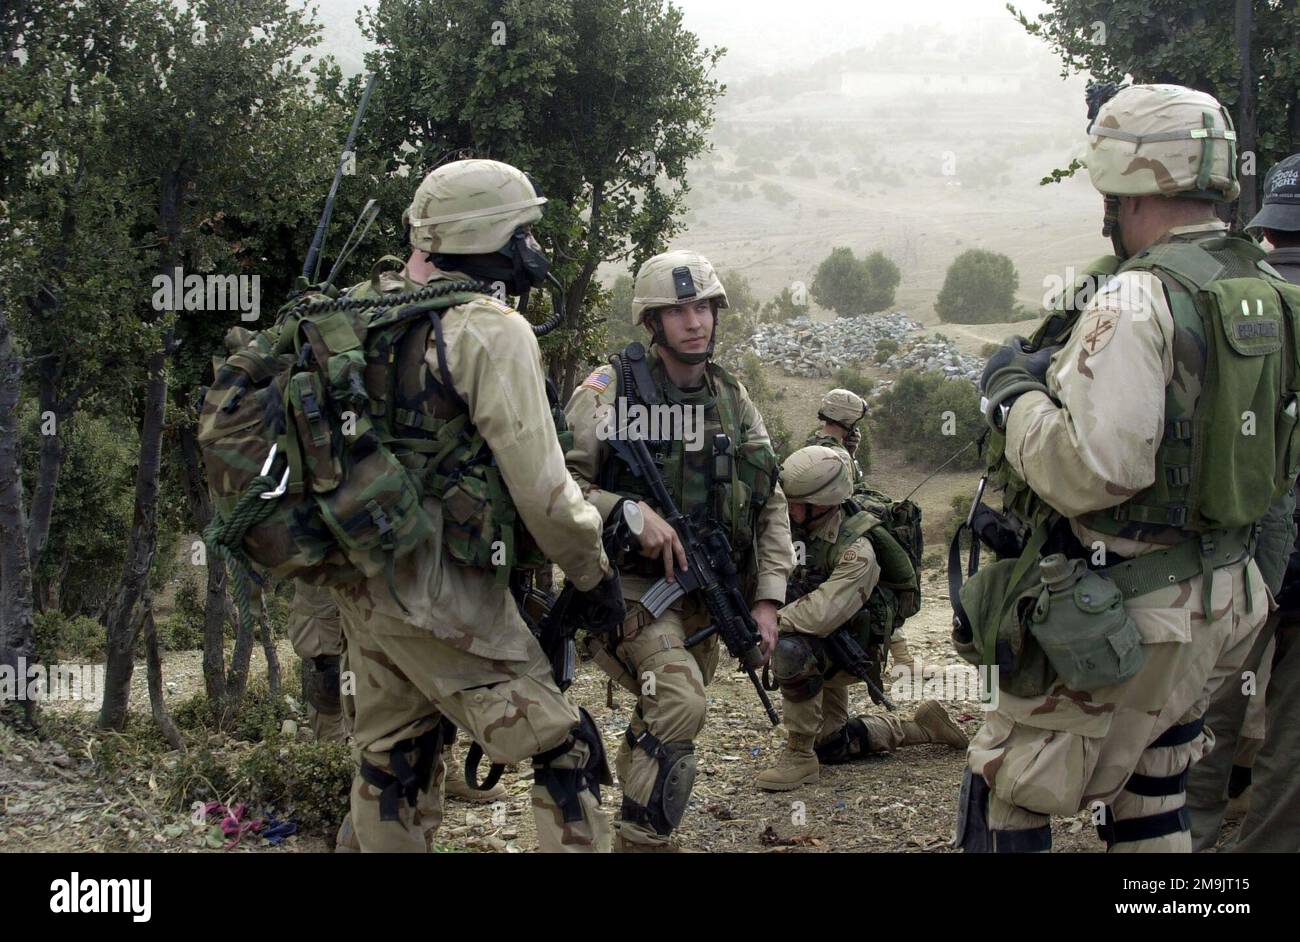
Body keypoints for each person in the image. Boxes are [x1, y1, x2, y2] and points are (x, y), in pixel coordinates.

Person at [955, 84, 1297, 852]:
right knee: (1155, 788)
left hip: (1128, 616)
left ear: (1126, 185)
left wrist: (1012, 398)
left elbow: (1094, 472)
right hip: (1222, 602)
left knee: (1008, 788)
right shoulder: (1268, 289)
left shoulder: (1139, 297)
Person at [328, 158, 623, 852]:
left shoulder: (356, 311)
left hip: (359, 576)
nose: (533, 250)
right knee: (564, 748)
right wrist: (594, 574)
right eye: (523, 232)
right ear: (487, 235)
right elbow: (548, 498)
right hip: (443, 592)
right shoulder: (489, 329)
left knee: (392, 761)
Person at [564, 249, 792, 851]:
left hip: (704, 590)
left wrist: (767, 600)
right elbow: (552, 485)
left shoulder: (732, 397)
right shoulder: (610, 391)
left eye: (703, 308)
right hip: (628, 586)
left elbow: (770, 500)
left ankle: (624, 822)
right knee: (680, 701)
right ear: (652, 322)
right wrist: (627, 511)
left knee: (667, 719)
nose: (695, 322)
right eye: (678, 310)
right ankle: (643, 840)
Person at [1188, 153, 1300, 852]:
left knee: (1205, 722)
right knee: (1290, 744)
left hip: (1234, 556)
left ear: (1266, 231)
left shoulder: (1223, 303)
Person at [756, 445, 967, 792]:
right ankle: (921, 728)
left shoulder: (858, 550)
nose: (787, 509)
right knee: (834, 744)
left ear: (824, 502)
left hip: (847, 648)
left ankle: (799, 757)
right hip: (823, 642)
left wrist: (766, 622)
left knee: (790, 649)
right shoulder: (799, 525)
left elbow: (821, 614)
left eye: (796, 502)